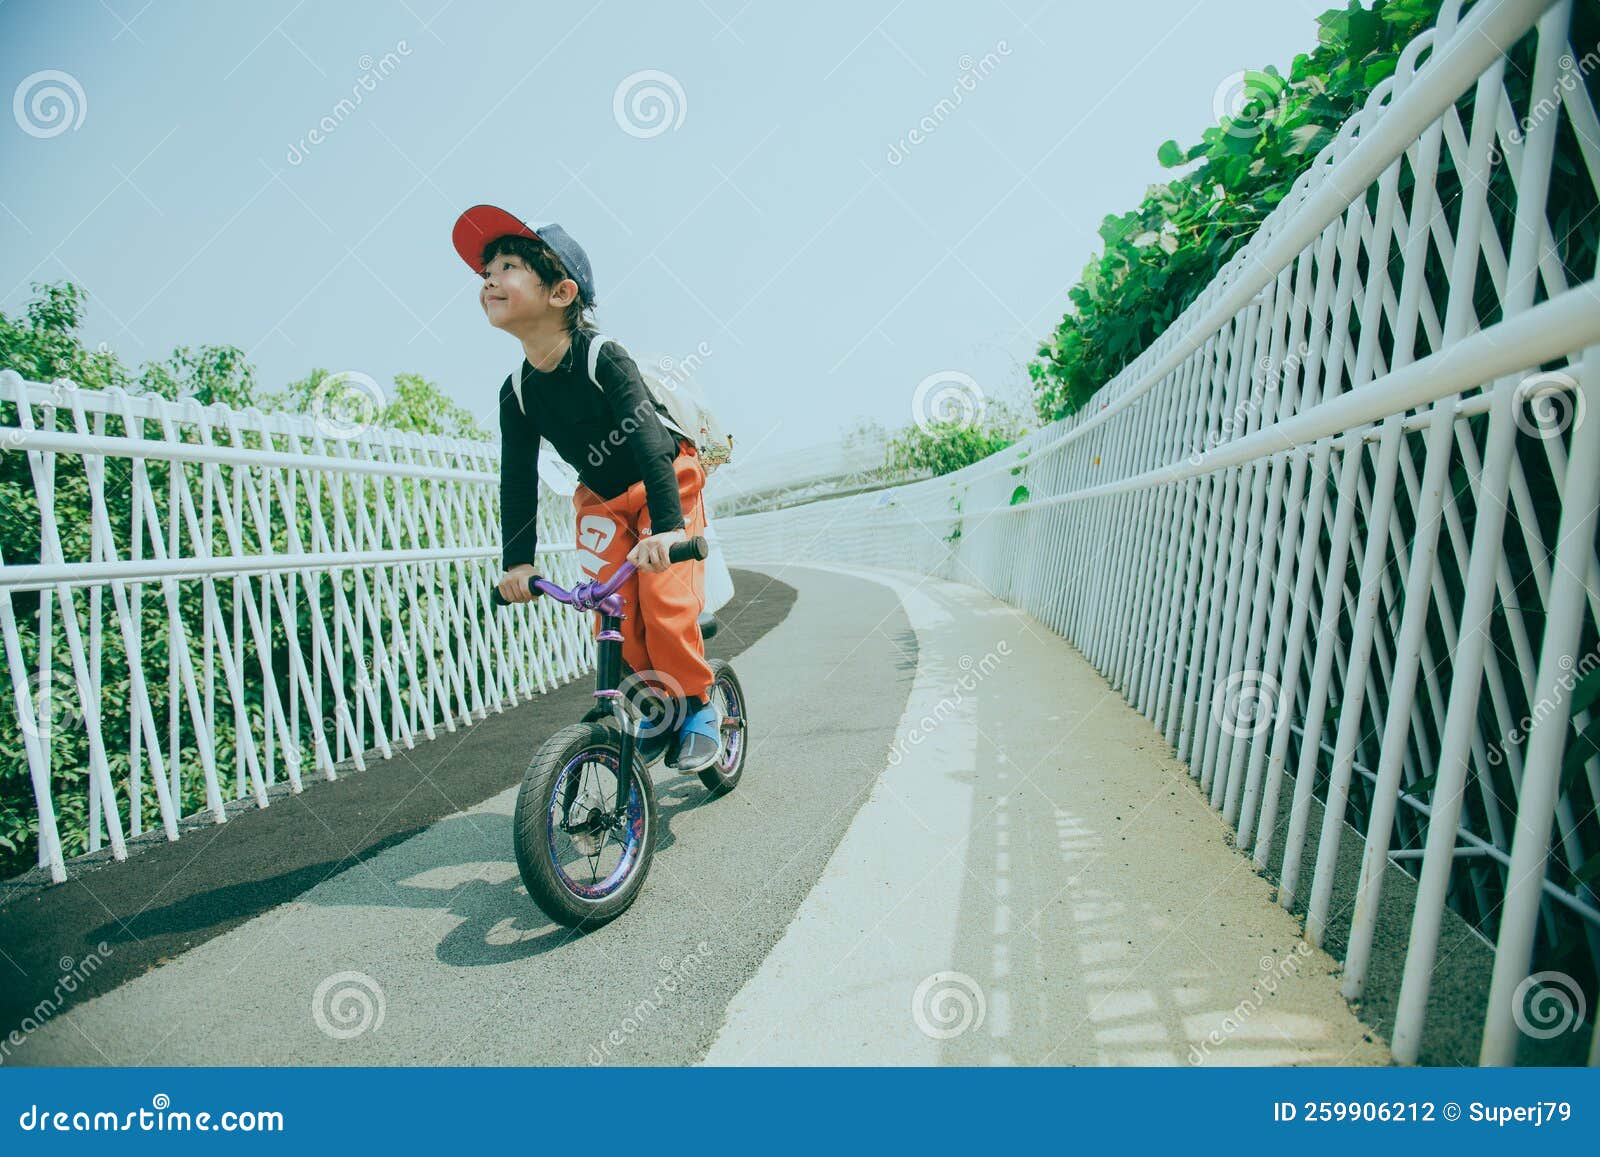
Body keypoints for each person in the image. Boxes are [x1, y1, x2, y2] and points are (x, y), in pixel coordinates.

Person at [453, 204, 721, 772]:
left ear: (561, 292)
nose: (490, 280)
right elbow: (517, 478)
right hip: (600, 498)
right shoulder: (518, 392)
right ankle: (655, 705)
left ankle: (698, 705)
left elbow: (649, 441)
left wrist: (668, 530)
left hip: (664, 481)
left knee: (664, 599)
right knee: (609, 608)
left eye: (506, 267)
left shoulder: (604, 357)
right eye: (486, 273)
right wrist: (517, 564)